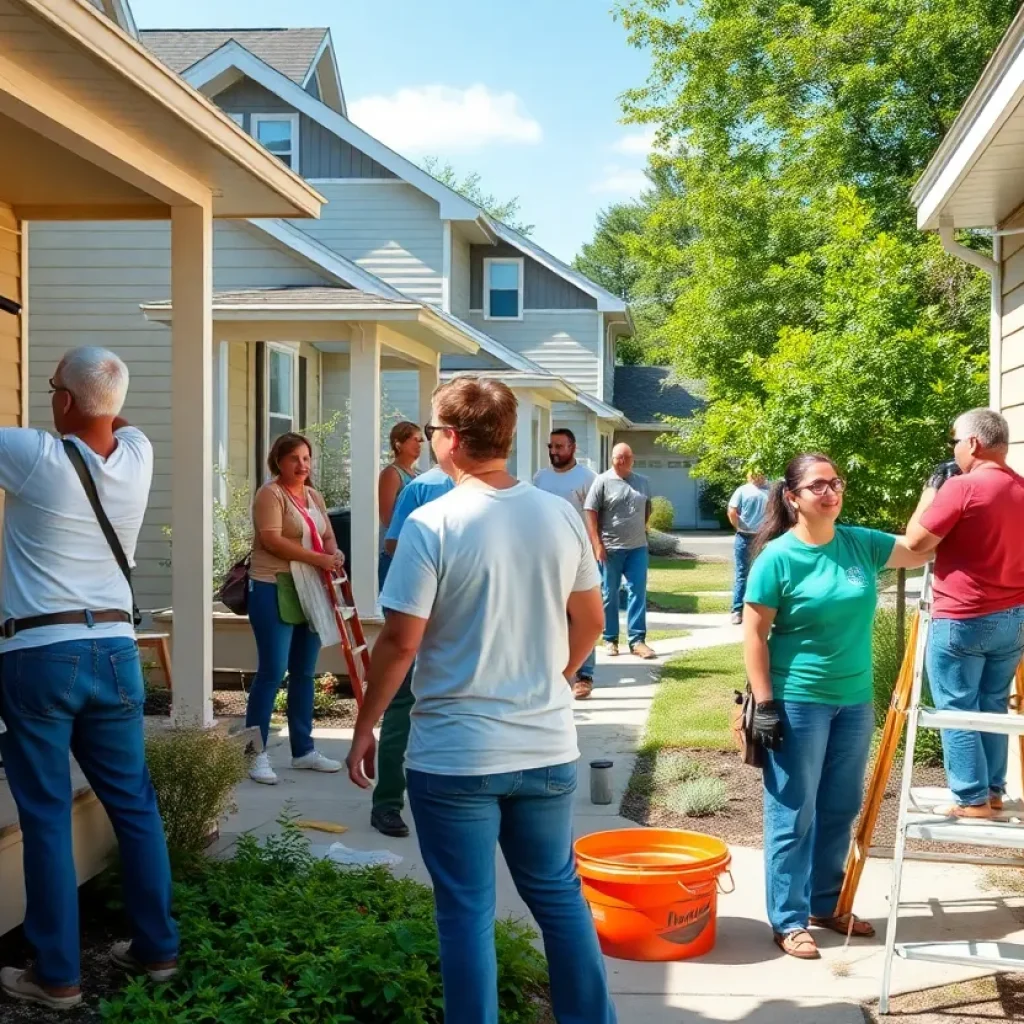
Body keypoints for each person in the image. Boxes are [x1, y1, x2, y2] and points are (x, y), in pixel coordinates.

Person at [346, 377, 616, 1024]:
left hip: (456, 756)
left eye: (434, 428)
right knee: (557, 896)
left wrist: (365, 725)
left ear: (449, 439)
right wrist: (558, 674)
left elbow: (400, 644)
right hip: (546, 747)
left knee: (465, 910)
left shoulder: (432, 521)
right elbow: (592, 619)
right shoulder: (556, 514)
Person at [0, 348, 178, 1010]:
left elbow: (95, 410)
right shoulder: (139, 453)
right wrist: (93, 395)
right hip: (114, 650)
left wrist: (76, 398)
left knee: (45, 814)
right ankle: (157, 951)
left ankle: (57, 976)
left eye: (54, 390)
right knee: (135, 805)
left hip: (41, 653)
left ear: (65, 402)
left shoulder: (32, 455)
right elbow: (116, 414)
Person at [743, 453, 930, 961]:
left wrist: (938, 491)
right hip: (798, 700)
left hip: (854, 700)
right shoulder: (777, 558)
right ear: (792, 497)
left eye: (836, 483)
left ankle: (826, 903)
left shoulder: (858, 544)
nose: (830, 492)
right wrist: (765, 705)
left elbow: (917, 549)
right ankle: (787, 917)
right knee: (793, 809)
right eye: (818, 485)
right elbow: (754, 634)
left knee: (840, 806)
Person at [905, 408, 1024, 819]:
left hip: (964, 618)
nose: (954, 449)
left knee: (956, 708)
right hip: (1014, 618)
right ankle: (993, 791)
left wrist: (930, 490)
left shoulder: (963, 487)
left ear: (973, 443)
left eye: (956, 441)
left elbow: (917, 541)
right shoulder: (1021, 488)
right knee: (992, 704)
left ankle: (971, 800)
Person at [246, 432, 345, 785]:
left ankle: (303, 751)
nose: (302, 465)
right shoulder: (269, 494)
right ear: (278, 461)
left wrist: (334, 555)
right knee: (272, 671)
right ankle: (254, 754)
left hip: (310, 588)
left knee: (305, 672)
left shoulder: (314, 495)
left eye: (306, 458)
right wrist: (320, 558)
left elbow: (329, 535)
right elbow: (272, 539)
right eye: (294, 459)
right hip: (273, 587)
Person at [369, 447, 456, 839]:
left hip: (461, 618)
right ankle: (387, 803)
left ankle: (450, 800)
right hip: (417, 610)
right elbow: (392, 544)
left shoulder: (499, 492)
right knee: (403, 701)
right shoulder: (422, 488)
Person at [534, 428, 598, 698]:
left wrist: (596, 547)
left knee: (582, 615)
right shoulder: (540, 478)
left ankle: (584, 675)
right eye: (551, 446)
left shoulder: (587, 478)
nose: (554, 451)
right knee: (552, 615)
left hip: (579, 556)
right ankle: (556, 670)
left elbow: (596, 516)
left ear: (573, 448)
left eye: (560, 446)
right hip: (546, 556)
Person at [584, 442, 656, 660]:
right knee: (609, 594)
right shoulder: (603, 481)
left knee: (638, 593)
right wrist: (597, 545)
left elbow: (647, 508)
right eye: (618, 457)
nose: (622, 461)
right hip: (610, 549)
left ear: (632, 458)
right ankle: (610, 639)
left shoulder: (642, 482)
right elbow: (591, 511)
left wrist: (642, 530)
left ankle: (637, 641)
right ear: (612, 459)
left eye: (626, 457)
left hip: (637, 548)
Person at [377, 421, 422, 588]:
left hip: (414, 550)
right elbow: (387, 517)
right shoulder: (392, 473)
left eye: (421, 440)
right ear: (398, 444)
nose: (419, 445)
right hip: (394, 551)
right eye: (414, 440)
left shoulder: (419, 475)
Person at [728, 470, 770, 625]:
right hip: (745, 536)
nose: (759, 477)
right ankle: (737, 609)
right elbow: (732, 511)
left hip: (764, 537)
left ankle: (761, 608)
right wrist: (738, 526)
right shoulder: (743, 490)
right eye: (756, 474)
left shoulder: (770, 491)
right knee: (742, 573)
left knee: (763, 573)